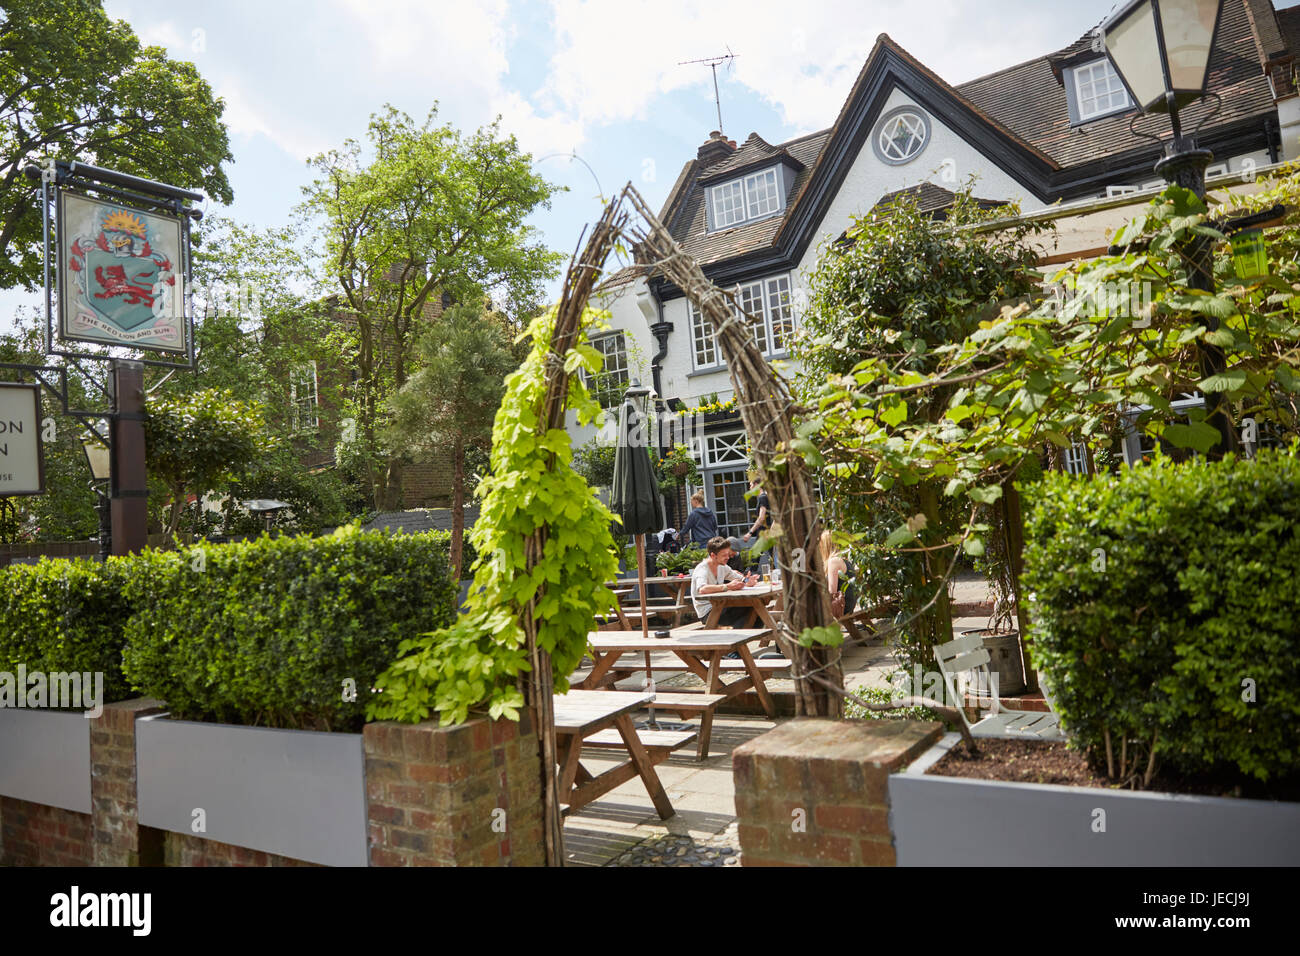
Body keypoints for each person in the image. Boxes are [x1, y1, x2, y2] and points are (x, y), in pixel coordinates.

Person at [691, 536, 758, 627]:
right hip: (708, 613)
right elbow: (702, 589)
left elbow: (740, 578)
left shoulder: (722, 566)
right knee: (750, 608)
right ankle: (737, 637)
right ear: (713, 556)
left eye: (727, 554)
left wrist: (748, 580)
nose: (728, 557)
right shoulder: (702, 569)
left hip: (721, 606)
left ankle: (745, 636)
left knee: (753, 608)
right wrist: (728, 586)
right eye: (724, 555)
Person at [820, 529, 857, 618]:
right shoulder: (842, 558)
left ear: (825, 545)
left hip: (842, 607)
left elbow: (832, 592)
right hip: (848, 604)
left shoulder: (834, 561)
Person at [742, 473, 771, 543]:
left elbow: (761, 518)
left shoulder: (762, 498)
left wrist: (750, 533)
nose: (750, 488)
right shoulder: (763, 497)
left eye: (751, 485)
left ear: (756, 485)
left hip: (764, 534)